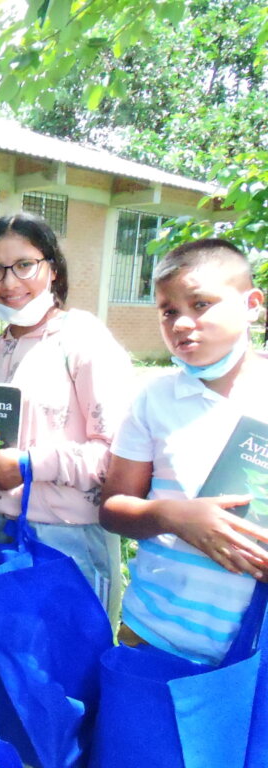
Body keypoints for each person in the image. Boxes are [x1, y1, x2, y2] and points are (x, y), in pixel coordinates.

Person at [0, 212, 132, 616]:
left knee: (60, 672)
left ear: (53, 269)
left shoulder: (83, 340)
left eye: (24, 265)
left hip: (63, 543)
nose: (9, 283)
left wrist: (28, 466)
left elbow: (115, 455)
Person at [101, 238, 268, 663]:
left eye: (200, 304)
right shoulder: (153, 399)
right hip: (154, 634)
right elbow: (113, 507)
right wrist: (172, 516)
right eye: (168, 311)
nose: (181, 323)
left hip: (252, 648)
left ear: (252, 305)